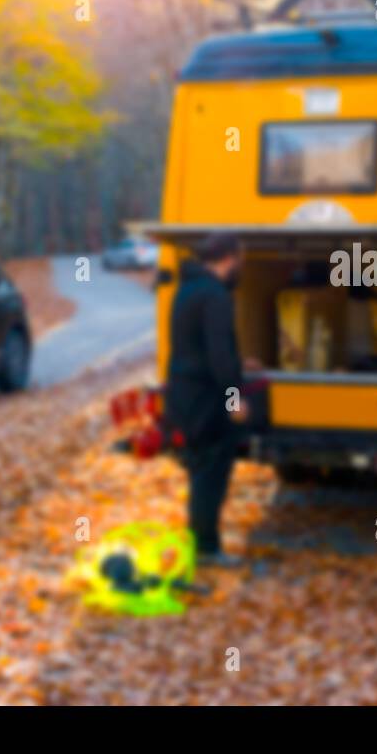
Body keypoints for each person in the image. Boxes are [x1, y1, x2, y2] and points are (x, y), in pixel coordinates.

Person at [168, 233, 246, 568]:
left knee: (201, 469)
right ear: (228, 257)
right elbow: (219, 357)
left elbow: (202, 347)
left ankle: (200, 543)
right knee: (211, 474)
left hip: (185, 394)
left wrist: (243, 365)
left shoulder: (186, 289)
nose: (241, 266)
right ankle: (206, 550)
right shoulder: (215, 296)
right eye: (239, 258)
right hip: (207, 399)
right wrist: (234, 400)